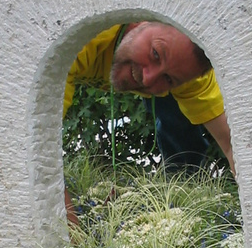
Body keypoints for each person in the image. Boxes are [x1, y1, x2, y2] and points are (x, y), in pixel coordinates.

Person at [63, 22, 234, 174]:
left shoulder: (187, 69)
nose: (148, 78)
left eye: (168, 79)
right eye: (156, 54)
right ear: (141, 16)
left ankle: (181, 179)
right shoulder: (77, 36)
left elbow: (234, 146)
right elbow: (45, 159)